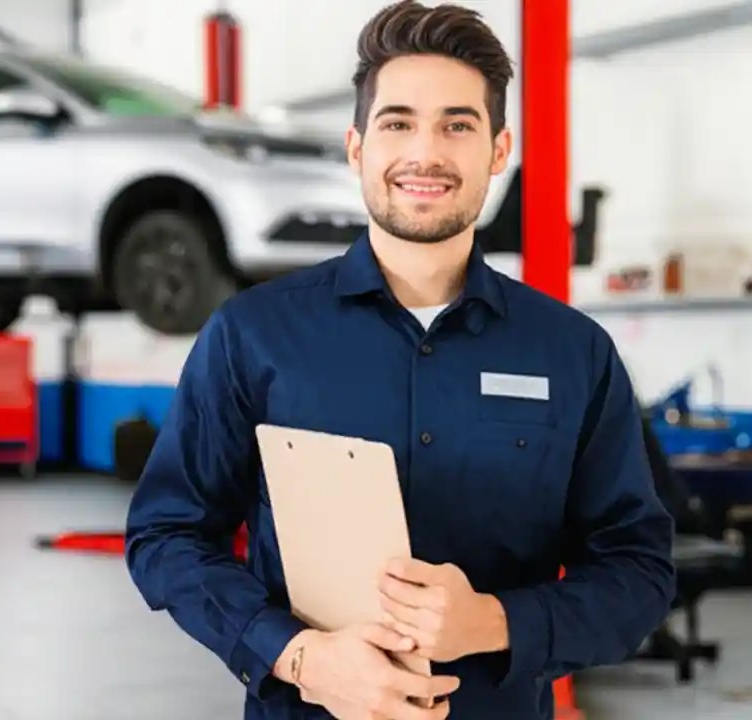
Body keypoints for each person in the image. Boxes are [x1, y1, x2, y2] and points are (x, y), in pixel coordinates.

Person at [124, 2, 677, 718]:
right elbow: (167, 535)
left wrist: (492, 622)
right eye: (397, 123)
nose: (426, 153)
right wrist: (299, 656)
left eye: (457, 124)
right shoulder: (253, 336)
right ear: (358, 147)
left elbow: (637, 571)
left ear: (498, 150)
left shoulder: (574, 354)